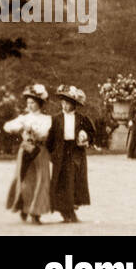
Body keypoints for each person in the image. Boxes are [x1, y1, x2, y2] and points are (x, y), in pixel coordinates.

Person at [3, 84, 53, 224]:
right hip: (25, 150)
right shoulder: (24, 118)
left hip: (40, 151)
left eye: (33, 102)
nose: (30, 105)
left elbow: (44, 134)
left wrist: (33, 130)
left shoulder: (46, 119)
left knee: (41, 180)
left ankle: (36, 213)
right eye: (28, 103)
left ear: (40, 103)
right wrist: (18, 127)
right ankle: (24, 207)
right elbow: (7, 126)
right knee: (25, 180)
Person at [48, 86, 93, 223]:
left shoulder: (81, 118)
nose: (65, 105)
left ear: (74, 104)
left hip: (75, 152)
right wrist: (51, 154)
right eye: (63, 102)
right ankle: (65, 211)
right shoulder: (56, 119)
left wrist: (86, 138)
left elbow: (91, 133)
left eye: (68, 103)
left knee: (73, 180)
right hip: (60, 152)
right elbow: (50, 138)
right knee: (61, 182)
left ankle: (71, 210)